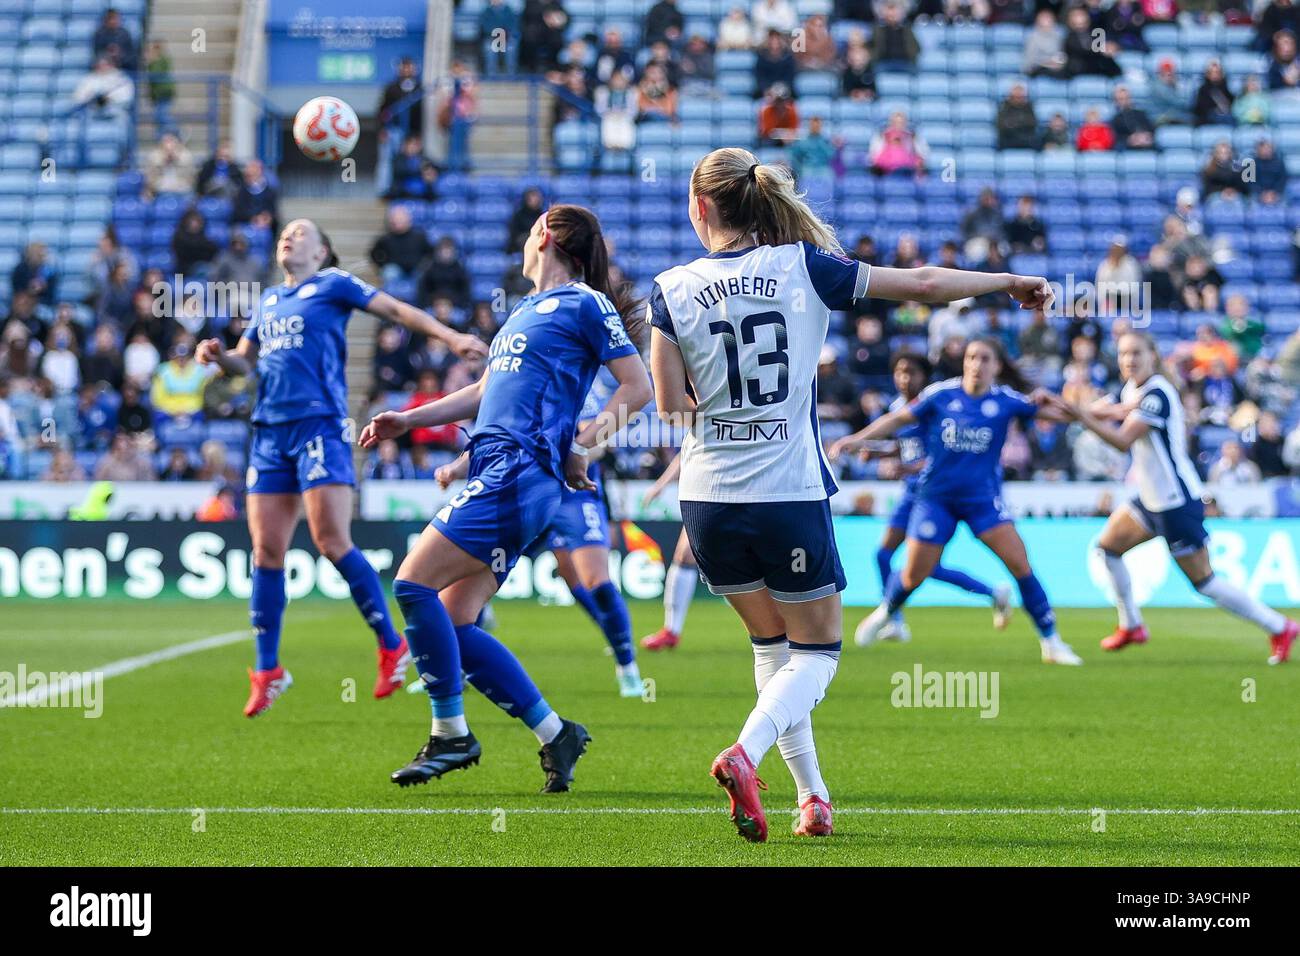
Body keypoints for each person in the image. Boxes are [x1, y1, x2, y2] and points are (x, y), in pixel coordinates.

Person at [650, 147, 1058, 843]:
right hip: (786, 491)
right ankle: (744, 755)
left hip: (706, 495)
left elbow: (667, 406)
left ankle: (812, 799)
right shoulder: (804, 265)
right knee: (817, 656)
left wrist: (725, 401)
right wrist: (1005, 281)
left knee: (771, 649)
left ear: (699, 208)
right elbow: (925, 284)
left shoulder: (669, 287)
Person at [358, 204, 651, 792]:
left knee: (412, 585)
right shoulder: (522, 312)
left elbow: (638, 385)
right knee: (453, 620)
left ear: (544, 235)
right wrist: (407, 421)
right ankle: (556, 733)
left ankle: (451, 734)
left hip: (519, 475)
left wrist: (584, 444)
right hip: (502, 473)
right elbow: (486, 392)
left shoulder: (585, 302)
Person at [195, 219, 488, 717]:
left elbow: (394, 309)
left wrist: (449, 335)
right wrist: (221, 358)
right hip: (269, 432)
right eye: (286, 232)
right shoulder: (268, 301)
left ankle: (390, 644)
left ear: (323, 250)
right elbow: (247, 363)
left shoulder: (333, 284)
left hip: (320, 428)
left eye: (301, 232)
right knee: (266, 551)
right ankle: (269, 671)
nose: (289, 237)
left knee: (331, 541)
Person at [832, 336, 1083, 666]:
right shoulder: (941, 395)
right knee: (913, 574)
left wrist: (1069, 404)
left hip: (983, 501)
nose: (977, 364)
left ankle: (1051, 642)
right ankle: (888, 613)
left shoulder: (1006, 400)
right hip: (936, 499)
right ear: (965, 362)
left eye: (985, 359)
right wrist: (857, 438)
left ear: (997, 365)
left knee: (1020, 565)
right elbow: (898, 419)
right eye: (972, 357)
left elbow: (1061, 415)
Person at [1052, 332, 1297, 664]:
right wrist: (1065, 409)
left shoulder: (1157, 394)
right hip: (1151, 499)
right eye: (1124, 354)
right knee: (1107, 548)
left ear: (1152, 355)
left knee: (1205, 583)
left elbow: (1123, 440)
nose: (1129, 360)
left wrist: (1081, 416)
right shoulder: (1134, 390)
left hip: (1176, 502)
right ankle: (1132, 625)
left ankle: (1280, 627)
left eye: (1136, 353)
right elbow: (1111, 409)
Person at [435, 366, 647, 699]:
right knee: (466, 575)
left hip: (573, 493)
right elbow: (493, 434)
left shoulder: (582, 386)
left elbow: (599, 443)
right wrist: (458, 467)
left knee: (595, 582)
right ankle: (454, 666)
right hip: (525, 490)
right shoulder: (520, 379)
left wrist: (574, 456)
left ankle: (627, 666)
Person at [861, 352, 1013, 642]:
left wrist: (904, 467)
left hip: (933, 495)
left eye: (912, 373)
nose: (905, 378)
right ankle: (894, 618)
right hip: (911, 493)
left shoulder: (937, 406)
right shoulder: (898, 407)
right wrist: (880, 452)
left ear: (924, 377)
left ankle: (989, 593)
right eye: (900, 372)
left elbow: (939, 453)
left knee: (923, 567)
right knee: (885, 555)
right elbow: (909, 446)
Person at [639, 454, 700, 652]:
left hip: (749, 493)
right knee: (685, 556)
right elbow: (688, 451)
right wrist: (661, 484)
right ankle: (671, 631)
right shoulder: (704, 424)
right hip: (711, 494)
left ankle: (782, 630)